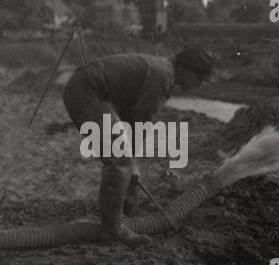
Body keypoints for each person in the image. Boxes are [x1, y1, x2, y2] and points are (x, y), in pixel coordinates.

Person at [62, 46, 215, 245]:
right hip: (87, 90)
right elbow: (140, 125)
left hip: (88, 87)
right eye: (199, 78)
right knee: (120, 158)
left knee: (120, 155)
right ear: (187, 70)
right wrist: (131, 178)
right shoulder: (162, 76)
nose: (200, 85)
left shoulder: (163, 70)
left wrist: (131, 182)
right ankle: (112, 230)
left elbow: (131, 120)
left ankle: (113, 220)